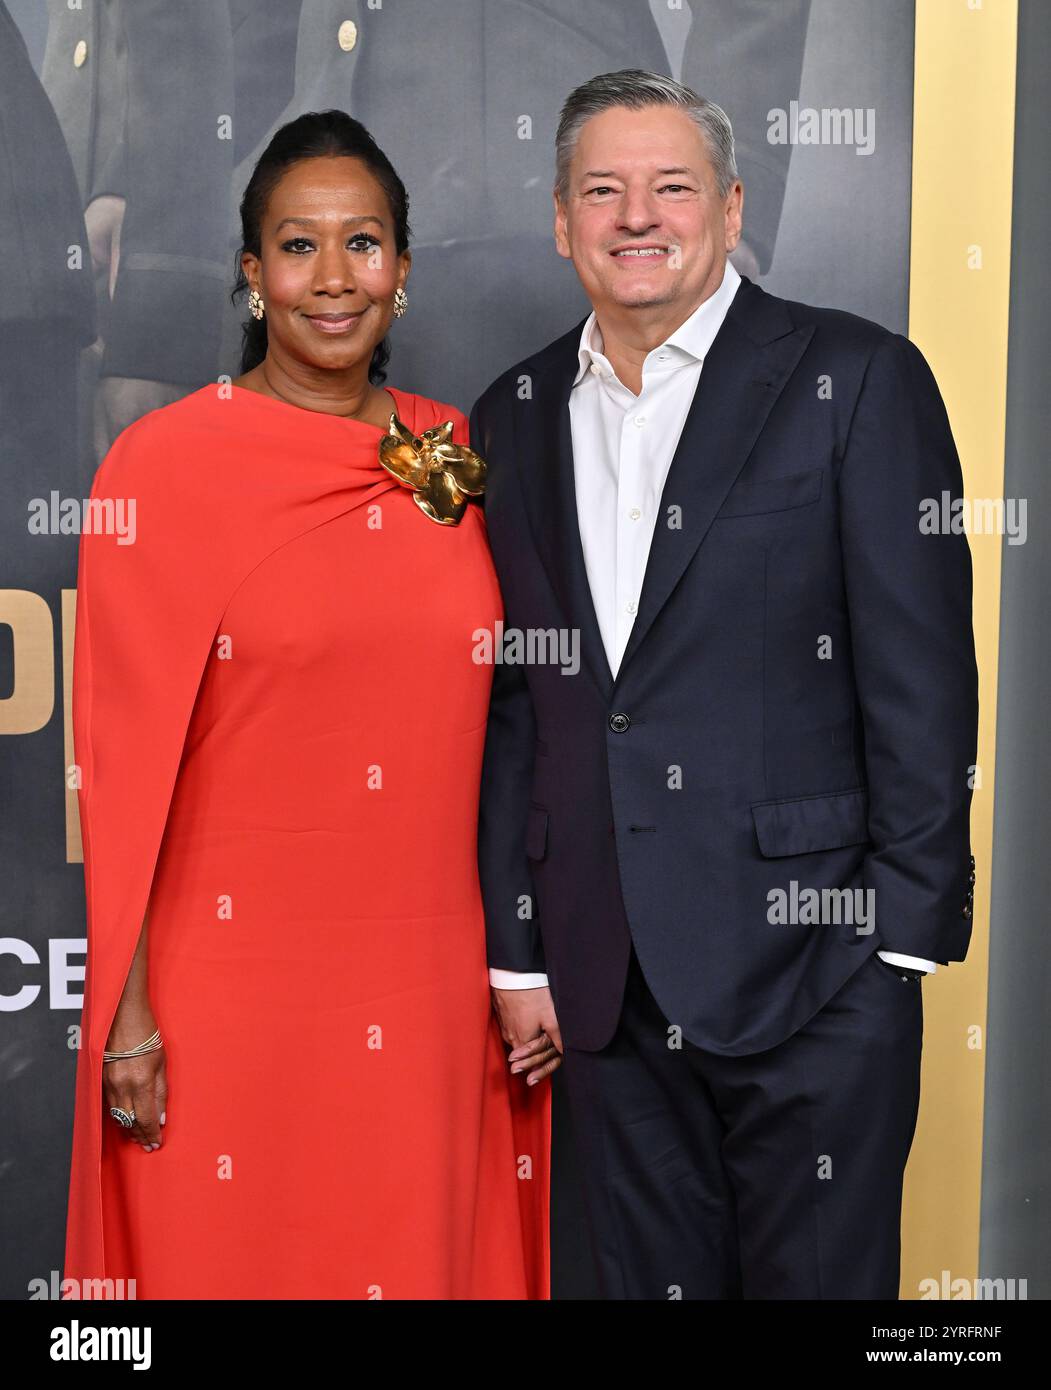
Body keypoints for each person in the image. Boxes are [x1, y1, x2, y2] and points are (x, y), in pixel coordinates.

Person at [472, 70, 978, 1299]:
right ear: (560, 219)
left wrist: (899, 949)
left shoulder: (854, 377)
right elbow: (518, 712)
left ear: (732, 206)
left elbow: (921, 678)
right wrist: (520, 954)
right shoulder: (512, 415)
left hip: (817, 973)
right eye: (603, 190)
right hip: (604, 989)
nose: (636, 216)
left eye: (672, 186)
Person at [63, 109, 550, 1300]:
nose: (334, 279)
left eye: (363, 243)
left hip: (428, 989)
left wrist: (521, 955)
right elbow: (119, 776)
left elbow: (528, 729)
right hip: (229, 989)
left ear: (403, 267)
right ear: (251, 272)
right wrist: (126, 1015)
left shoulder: (458, 451)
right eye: (298, 246)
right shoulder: (161, 468)